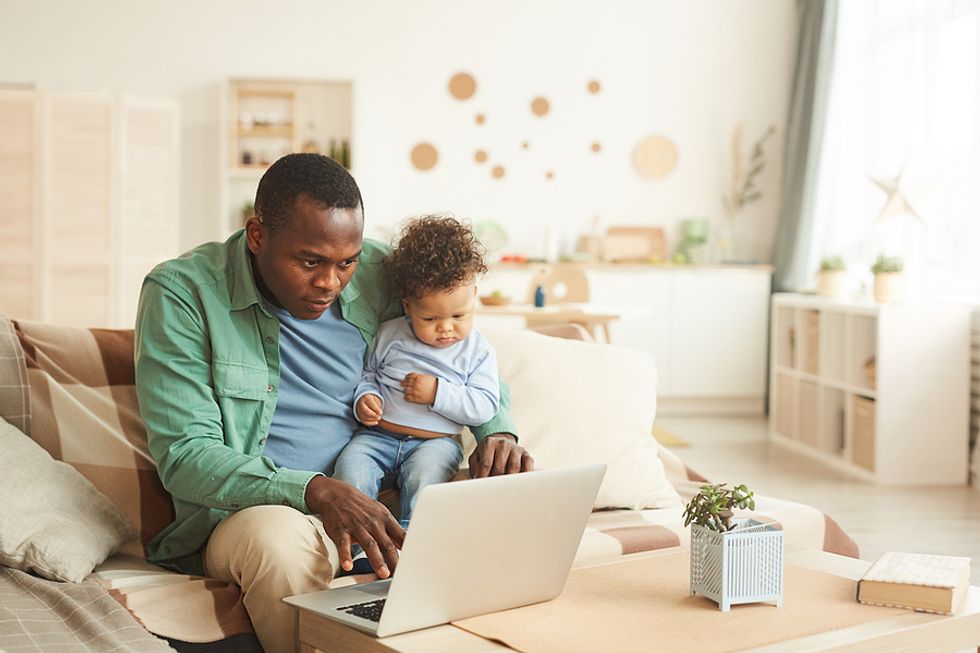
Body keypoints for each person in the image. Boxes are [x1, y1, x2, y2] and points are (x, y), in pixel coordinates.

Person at [133, 153, 533, 653]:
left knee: (504, 505)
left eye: (346, 262)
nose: (330, 282)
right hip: (256, 511)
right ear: (257, 236)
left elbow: (461, 350)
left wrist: (498, 428)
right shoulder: (183, 294)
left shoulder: (378, 270)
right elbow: (187, 458)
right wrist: (317, 491)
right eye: (310, 262)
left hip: (379, 484)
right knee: (279, 543)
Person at [333, 216, 499, 532]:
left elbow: (485, 406)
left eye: (459, 315)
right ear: (408, 307)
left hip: (434, 443)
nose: (446, 327)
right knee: (351, 467)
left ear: (474, 295)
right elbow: (369, 373)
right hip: (377, 436)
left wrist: (437, 392)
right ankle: (359, 545)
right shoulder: (390, 334)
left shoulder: (477, 351)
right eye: (430, 317)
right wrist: (366, 397)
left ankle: (413, 543)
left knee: (425, 479)